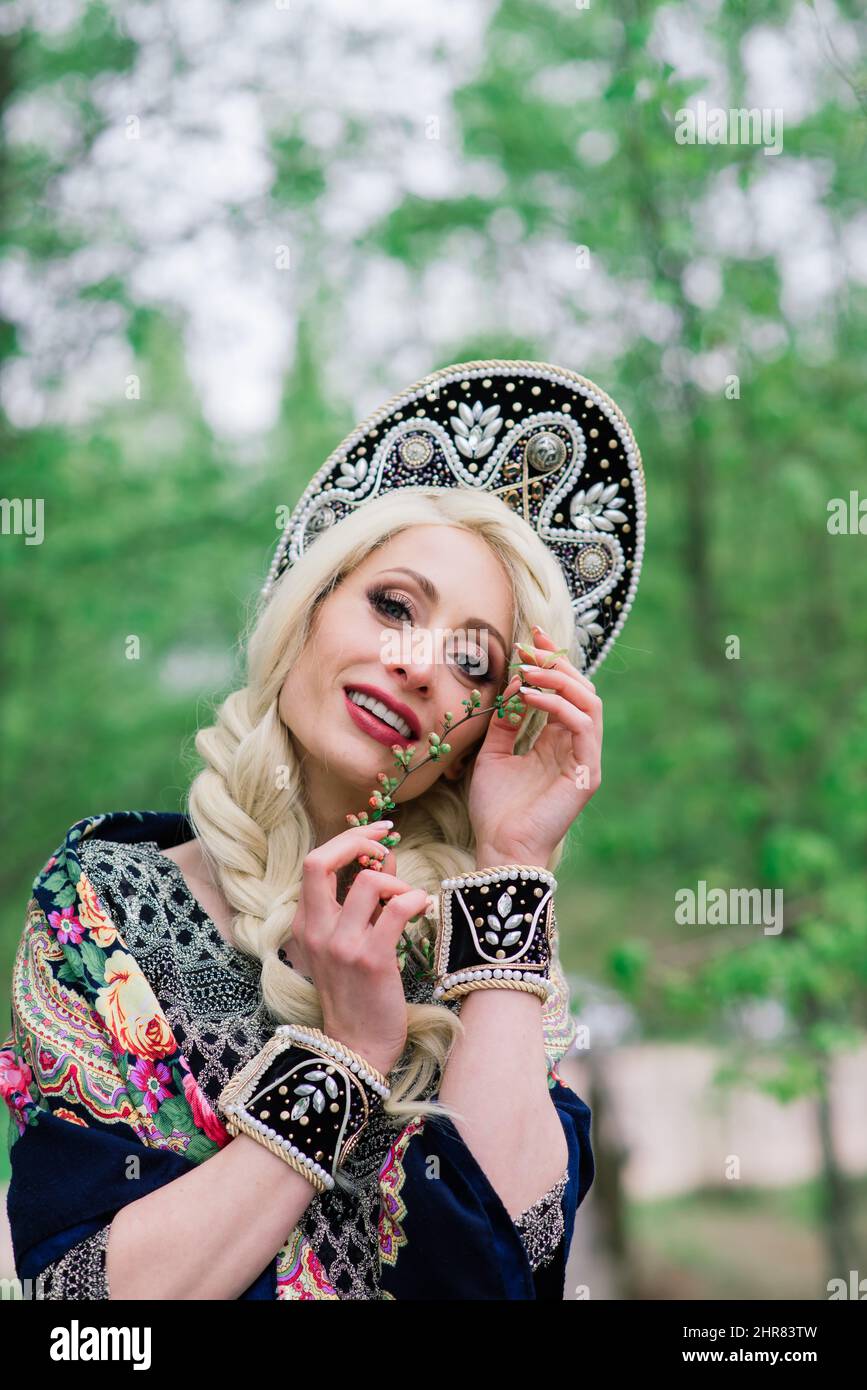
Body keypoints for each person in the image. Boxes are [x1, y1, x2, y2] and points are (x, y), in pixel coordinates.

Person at [2, 359, 645, 1300]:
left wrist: (512, 864)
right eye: (393, 606)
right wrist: (341, 1054)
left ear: (479, 736)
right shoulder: (107, 908)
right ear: (306, 610)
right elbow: (82, 1315)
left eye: (474, 663)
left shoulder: (487, 956)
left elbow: (505, 1264)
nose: (420, 666)